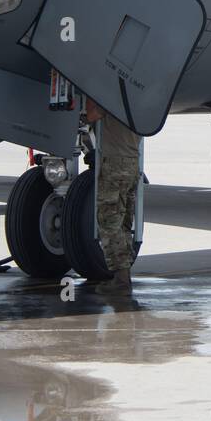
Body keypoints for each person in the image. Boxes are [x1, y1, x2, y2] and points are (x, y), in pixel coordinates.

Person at [84, 95, 142, 295]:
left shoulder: (111, 99)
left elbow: (91, 115)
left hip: (115, 164)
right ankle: (124, 275)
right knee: (125, 221)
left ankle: (121, 279)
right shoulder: (136, 103)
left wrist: (90, 94)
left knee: (109, 221)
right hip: (133, 163)